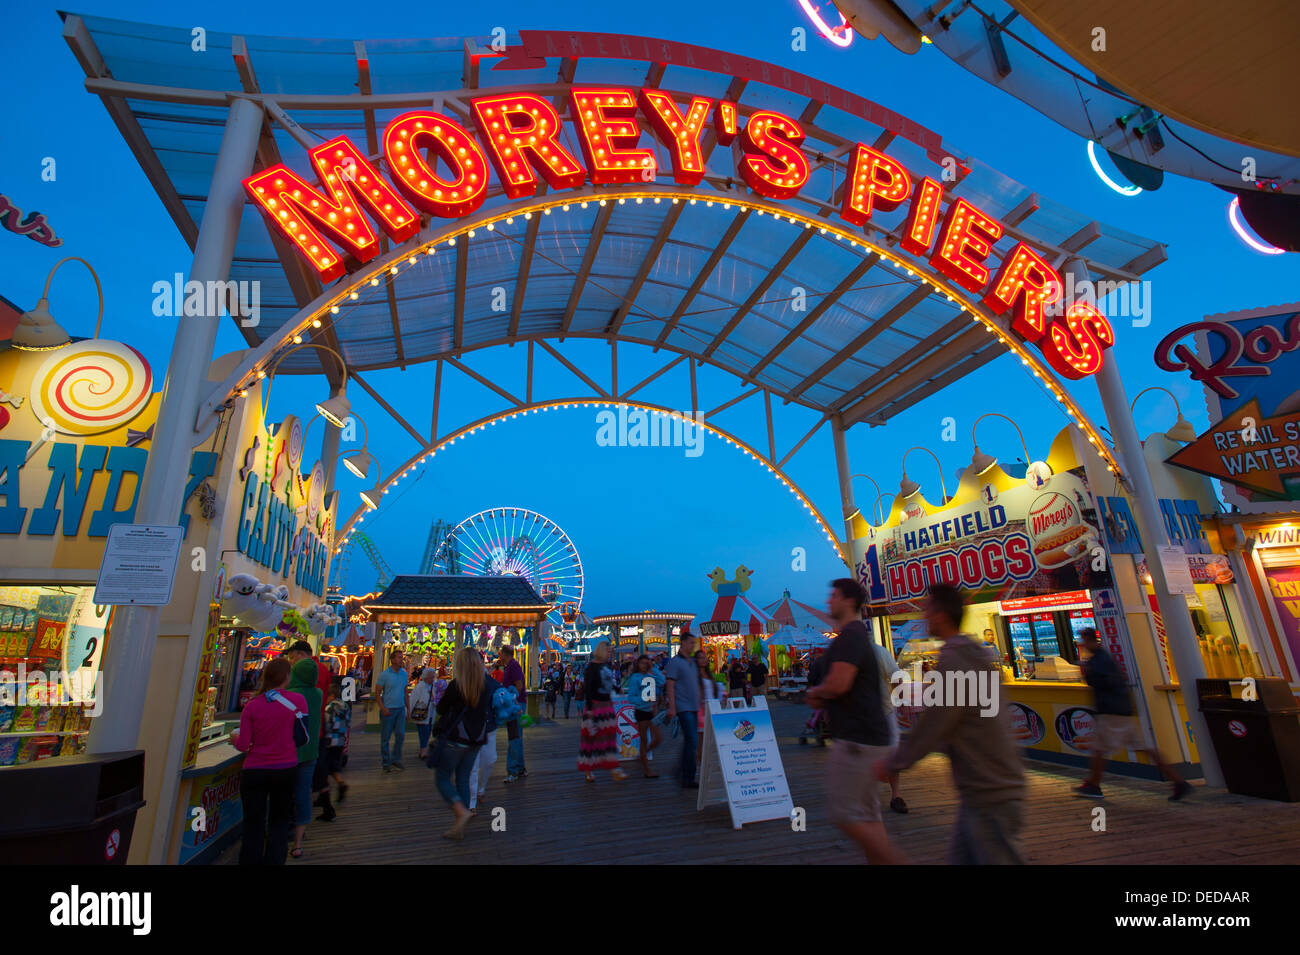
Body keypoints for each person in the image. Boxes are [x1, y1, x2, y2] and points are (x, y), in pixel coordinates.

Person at [877, 584, 1027, 865]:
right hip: (989, 787)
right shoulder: (975, 653)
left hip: (990, 792)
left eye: (928, 610)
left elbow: (934, 726)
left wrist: (893, 763)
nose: (924, 618)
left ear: (941, 615)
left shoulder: (954, 660)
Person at [807, 579, 904, 865]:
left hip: (856, 740)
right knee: (868, 816)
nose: (829, 602)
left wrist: (816, 693)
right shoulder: (858, 636)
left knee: (844, 814)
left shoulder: (849, 636)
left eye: (834, 596)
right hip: (872, 736)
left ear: (849, 601)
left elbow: (838, 684)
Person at [1075, 627, 1191, 801]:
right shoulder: (1102, 657)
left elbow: (1103, 681)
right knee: (1143, 747)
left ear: (1090, 641)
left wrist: (1086, 671)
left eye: (1084, 641)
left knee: (1100, 749)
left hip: (1111, 711)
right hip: (1120, 708)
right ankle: (1178, 781)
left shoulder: (1100, 660)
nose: (1083, 645)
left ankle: (1094, 784)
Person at [231, 657, 302, 865]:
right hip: (285, 768)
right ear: (286, 677)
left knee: (253, 824)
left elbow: (243, 744)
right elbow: (301, 737)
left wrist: (234, 738)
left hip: (255, 770)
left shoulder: (252, 706)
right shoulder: (297, 702)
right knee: (279, 822)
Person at [433, 647, 494, 840]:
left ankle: (460, 811)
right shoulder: (484, 686)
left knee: (442, 777)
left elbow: (441, 708)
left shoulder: (456, 685)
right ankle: (460, 825)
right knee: (463, 778)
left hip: (456, 739)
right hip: (476, 739)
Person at [287, 656, 323, 859]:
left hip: (287, 752)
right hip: (310, 750)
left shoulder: (287, 695)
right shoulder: (317, 694)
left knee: (281, 793)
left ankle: (279, 829)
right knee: (303, 794)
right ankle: (298, 841)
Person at [578, 642, 628, 782]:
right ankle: (589, 769)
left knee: (608, 737)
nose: (610, 653)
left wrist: (617, 688)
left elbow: (606, 681)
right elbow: (588, 688)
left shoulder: (604, 665)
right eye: (608, 650)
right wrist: (589, 709)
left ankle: (613, 767)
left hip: (606, 705)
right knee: (592, 738)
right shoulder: (592, 668)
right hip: (595, 706)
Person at [872, 638, 908, 814]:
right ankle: (895, 795)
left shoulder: (875, 652)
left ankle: (890, 796)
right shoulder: (879, 651)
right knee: (891, 752)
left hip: (877, 713)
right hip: (883, 712)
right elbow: (896, 676)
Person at [664, 633, 701, 789]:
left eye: (694, 643)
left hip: (694, 706)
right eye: (691, 643)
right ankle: (688, 776)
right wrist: (672, 707)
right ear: (683, 643)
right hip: (683, 706)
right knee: (692, 740)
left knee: (690, 741)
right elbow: (670, 686)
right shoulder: (675, 662)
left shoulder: (692, 662)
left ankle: (681, 770)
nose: (693, 646)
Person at [627, 655, 664, 778]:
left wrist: (654, 669)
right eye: (642, 663)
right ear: (638, 664)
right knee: (644, 740)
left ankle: (642, 755)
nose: (644, 665)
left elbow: (662, 681)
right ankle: (647, 770)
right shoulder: (635, 678)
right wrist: (644, 699)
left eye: (646, 663)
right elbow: (631, 697)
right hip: (642, 711)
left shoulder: (651, 675)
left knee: (658, 738)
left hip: (652, 711)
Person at [375, 650, 409, 772]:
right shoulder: (384, 675)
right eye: (399, 657)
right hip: (388, 709)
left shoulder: (404, 674)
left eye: (402, 657)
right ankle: (386, 761)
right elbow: (377, 692)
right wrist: (382, 707)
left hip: (400, 709)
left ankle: (396, 758)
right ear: (393, 659)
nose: (401, 659)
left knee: (400, 735)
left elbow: (405, 692)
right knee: (385, 737)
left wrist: (408, 708)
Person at [498, 646, 527, 782]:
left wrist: (512, 702)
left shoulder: (513, 666)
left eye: (501, 654)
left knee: (514, 737)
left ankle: (513, 770)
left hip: (515, 706)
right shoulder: (510, 666)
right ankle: (520, 768)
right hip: (517, 704)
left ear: (504, 654)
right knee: (517, 737)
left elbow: (519, 686)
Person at [322, 679, 350, 806]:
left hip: (329, 741)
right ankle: (340, 783)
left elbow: (327, 724)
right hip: (340, 740)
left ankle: (326, 791)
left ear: (331, 696)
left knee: (326, 766)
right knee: (334, 765)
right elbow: (348, 723)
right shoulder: (345, 706)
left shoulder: (329, 708)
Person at [695, 649, 722, 770]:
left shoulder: (709, 674)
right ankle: (701, 765)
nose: (704, 659)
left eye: (704, 657)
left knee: (710, 739)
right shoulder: (695, 675)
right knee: (702, 740)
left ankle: (707, 764)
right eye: (700, 657)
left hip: (712, 708)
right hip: (701, 710)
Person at [409, 667, 440, 761]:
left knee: (427, 731)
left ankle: (423, 749)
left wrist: (435, 701)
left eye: (433, 677)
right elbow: (413, 700)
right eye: (430, 677)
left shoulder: (434, 686)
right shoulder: (420, 686)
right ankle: (423, 750)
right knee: (424, 731)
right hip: (421, 712)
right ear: (425, 677)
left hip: (431, 713)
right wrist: (409, 711)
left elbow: (437, 698)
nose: (432, 679)